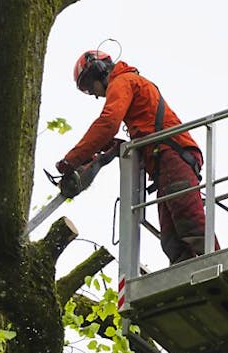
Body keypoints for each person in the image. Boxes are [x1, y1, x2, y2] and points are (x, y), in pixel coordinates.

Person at [56, 50, 212, 264]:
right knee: (171, 240)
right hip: (162, 162)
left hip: (172, 155)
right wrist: (109, 150)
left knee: (190, 223)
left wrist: (71, 160)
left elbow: (108, 123)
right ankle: (190, 283)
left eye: (89, 87)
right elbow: (137, 130)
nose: (94, 94)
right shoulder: (131, 84)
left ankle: (219, 265)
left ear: (98, 72)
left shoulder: (123, 81)